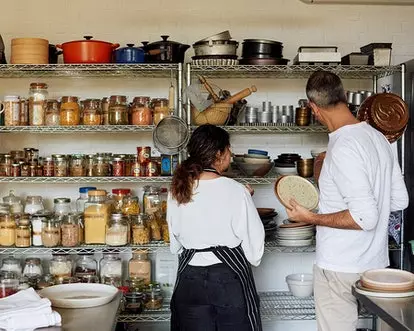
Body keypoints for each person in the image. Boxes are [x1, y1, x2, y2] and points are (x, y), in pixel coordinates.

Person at [285, 71, 409, 331]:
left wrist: (311, 218)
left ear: (313, 108)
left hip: (339, 266)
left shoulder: (342, 147)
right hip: (375, 265)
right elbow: (400, 200)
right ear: (343, 97)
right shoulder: (380, 139)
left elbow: (365, 217)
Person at [167, 124, 265, 331]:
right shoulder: (237, 191)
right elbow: (255, 252)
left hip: (189, 281)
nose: (231, 155)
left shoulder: (177, 189)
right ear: (219, 153)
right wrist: (246, 199)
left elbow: (175, 246)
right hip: (227, 281)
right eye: (229, 150)